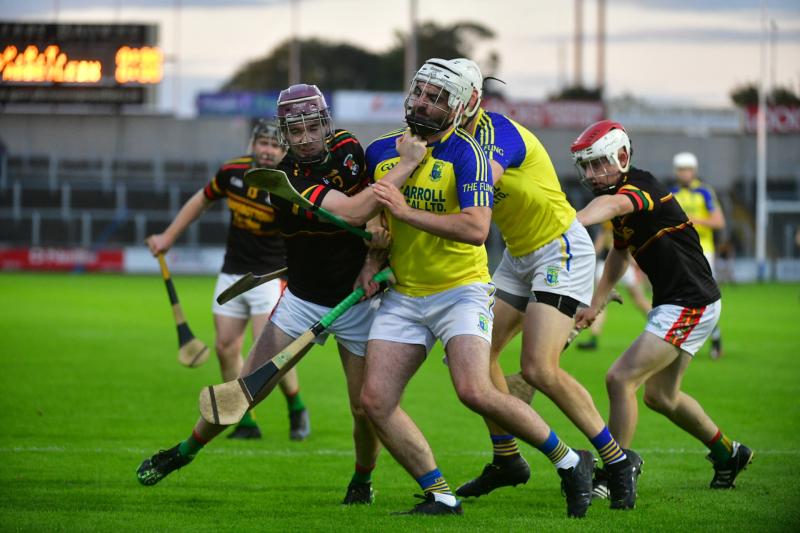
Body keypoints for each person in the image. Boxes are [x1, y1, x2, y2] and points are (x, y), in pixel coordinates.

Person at [137, 84, 406, 505]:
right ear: (284, 134)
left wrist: (375, 249)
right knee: (246, 391)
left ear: (326, 123)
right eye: (294, 130)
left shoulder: (350, 148)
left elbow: (375, 206)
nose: (305, 138)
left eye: (312, 126)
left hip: (358, 300)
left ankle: (362, 480)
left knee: (364, 408)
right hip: (303, 300)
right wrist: (405, 167)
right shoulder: (285, 181)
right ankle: (183, 451)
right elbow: (354, 211)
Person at [360, 58, 598, 518]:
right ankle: (441, 495)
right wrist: (373, 251)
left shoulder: (469, 153)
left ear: (460, 106)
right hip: (404, 295)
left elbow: (475, 228)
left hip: (461, 291)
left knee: (474, 389)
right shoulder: (381, 151)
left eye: (436, 98)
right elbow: (374, 214)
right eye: (420, 93)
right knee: (375, 401)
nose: (423, 103)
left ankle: (571, 462)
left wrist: (405, 212)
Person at [438, 58, 641, 511]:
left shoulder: (497, 132)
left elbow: (476, 185)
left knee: (538, 369)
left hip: (559, 249)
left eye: (443, 97)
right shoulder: (447, 142)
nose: (433, 105)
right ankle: (507, 458)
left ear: (469, 100)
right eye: (430, 96)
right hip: (518, 255)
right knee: (475, 356)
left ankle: (617, 461)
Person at [572, 120, 753, 492]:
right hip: (682, 301)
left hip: (690, 302)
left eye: (598, 163)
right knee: (660, 396)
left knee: (620, 379)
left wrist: (569, 221)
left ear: (622, 157)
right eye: (586, 166)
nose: (591, 174)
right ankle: (728, 454)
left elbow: (613, 204)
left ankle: (617, 471)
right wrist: (597, 301)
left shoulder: (641, 187)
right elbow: (619, 254)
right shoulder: (620, 205)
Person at [146, 120, 309, 441]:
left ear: (285, 150)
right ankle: (246, 422)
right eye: (263, 143)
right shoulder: (233, 172)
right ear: (253, 144)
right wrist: (168, 237)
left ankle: (296, 406)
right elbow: (201, 200)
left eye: (275, 145)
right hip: (233, 271)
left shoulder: (291, 184)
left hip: (269, 276)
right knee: (225, 348)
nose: (268, 150)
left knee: (268, 355)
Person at [670, 152, 726, 359]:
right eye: (681, 169)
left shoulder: (705, 192)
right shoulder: (671, 193)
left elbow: (719, 222)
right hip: (679, 251)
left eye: (688, 169)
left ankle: (715, 338)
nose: (684, 173)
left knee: (705, 296)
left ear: (694, 171)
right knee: (680, 296)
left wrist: (694, 220)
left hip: (704, 250)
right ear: (676, 172)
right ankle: (680, 340)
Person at [577, 221, 651, 351]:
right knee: (637, 299)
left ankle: (594, 338)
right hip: (615, 264)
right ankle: (594, 337)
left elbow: (603, 242)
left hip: (610, 264)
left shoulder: (611, 220)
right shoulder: (619, 220)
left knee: (600, 300)